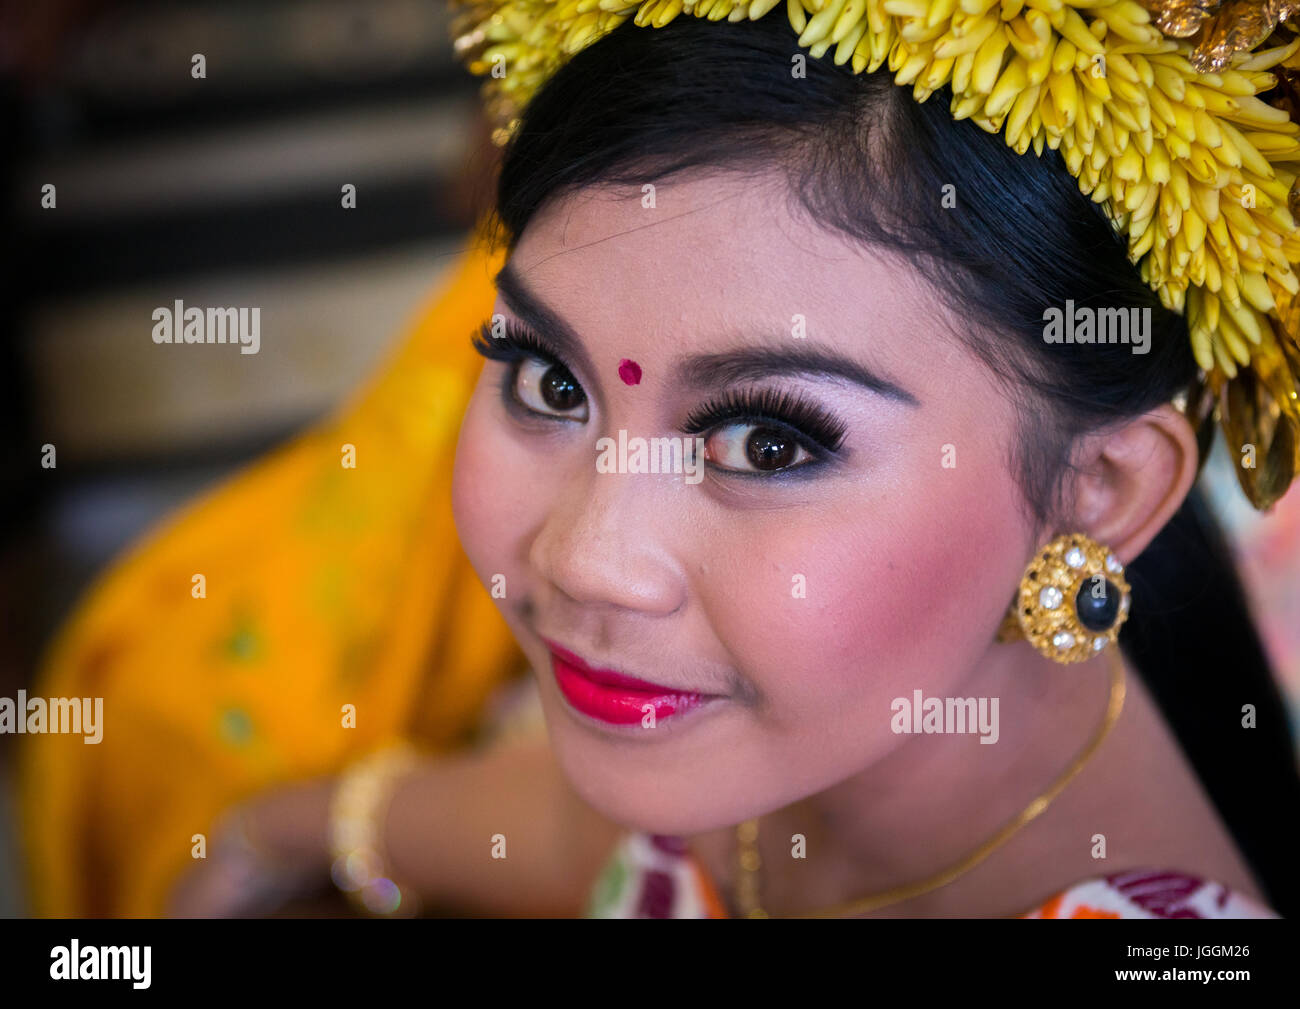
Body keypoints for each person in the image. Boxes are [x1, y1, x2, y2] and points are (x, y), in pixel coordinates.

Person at [25, 1, 1300, 918]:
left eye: (768, 438)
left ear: (1102, 493)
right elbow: (609, 844)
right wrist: (278, 833)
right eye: (547, 379)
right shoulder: (791, 742)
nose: (586, 561)